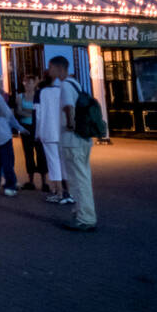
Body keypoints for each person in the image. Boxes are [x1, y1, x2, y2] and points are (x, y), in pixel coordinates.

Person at [57, 56, 98, 231]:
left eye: (51, 68)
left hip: (73, 139)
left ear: (59, 69)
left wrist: (70, 125)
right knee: (83, 177)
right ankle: (82, 214)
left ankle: (85, 218)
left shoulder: (66, 85)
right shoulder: (77, 84)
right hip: (83, 138)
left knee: (78, 179)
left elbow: (68, 107)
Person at [35, 68, 69, 205]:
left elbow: (38, 115)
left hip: (47, 131)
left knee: (53, 162)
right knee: (63, 162)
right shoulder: (61, 91)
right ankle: (68, 192)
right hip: (61, 131)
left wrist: (37, 133)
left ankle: (59, 192)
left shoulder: (41, 93)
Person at [14, 74, 47, 190]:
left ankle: (44, 182)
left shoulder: (39, 96)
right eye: (25, 82)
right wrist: (32, 112)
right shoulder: (20, 96)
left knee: (41, 153)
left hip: (37, 127)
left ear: (35, 84)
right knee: (28, 154)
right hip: (25, 128)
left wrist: (27, 112)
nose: (27, 85)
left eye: (30, 82)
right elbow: (18, 111)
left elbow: (40, 112)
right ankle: (30, 181)